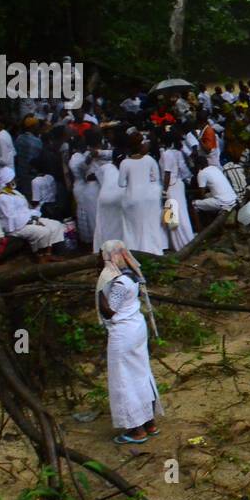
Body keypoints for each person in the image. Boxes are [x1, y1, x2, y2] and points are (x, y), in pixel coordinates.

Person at [97, 240, 163, 444]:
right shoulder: (132, 277)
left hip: (123, 333)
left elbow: (110, 310)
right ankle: (149, 423)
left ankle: (136, 429)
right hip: (136, 328)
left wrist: (100, 293)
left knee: (123, 379)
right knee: (141, 373)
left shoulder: (119, 282)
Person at [0, 167, 66, 258]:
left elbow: (26, 209)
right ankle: (42, 257)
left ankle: (53, 253)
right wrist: (33, 222)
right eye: (13, 178)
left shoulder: (15, 192)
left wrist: (34, 218)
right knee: (44, 231)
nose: (16, 180)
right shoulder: (2, 198)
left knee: (56, 225)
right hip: (17, 227)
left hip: (29, 219)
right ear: (8, 181)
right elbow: (12, 218)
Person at [117, 132, 167, 256]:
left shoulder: (125, 163)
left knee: (132, 228)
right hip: (148, 198)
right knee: (150, 224)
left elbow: (121, 183)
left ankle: (135, 251)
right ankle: (153, 250)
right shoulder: (149, 160)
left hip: (132, 198)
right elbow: (156, 178)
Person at [159, 130, 195, 252]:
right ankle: (185, 241)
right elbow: (184, 171)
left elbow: (167, 173)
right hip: (179, 184)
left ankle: (180, 244)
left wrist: (164, 190)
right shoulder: (178, 153)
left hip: (171, 186)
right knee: (181, 213)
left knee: (174, 215)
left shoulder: (166, 154)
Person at [92, 149, 124, 251]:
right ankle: (119, 248)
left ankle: (103, 248)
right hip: (120, 197)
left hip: (105, 198)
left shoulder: (106, 167)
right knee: (119, 224)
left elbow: (96, 177)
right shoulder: (127, 166)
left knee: (103, 223)